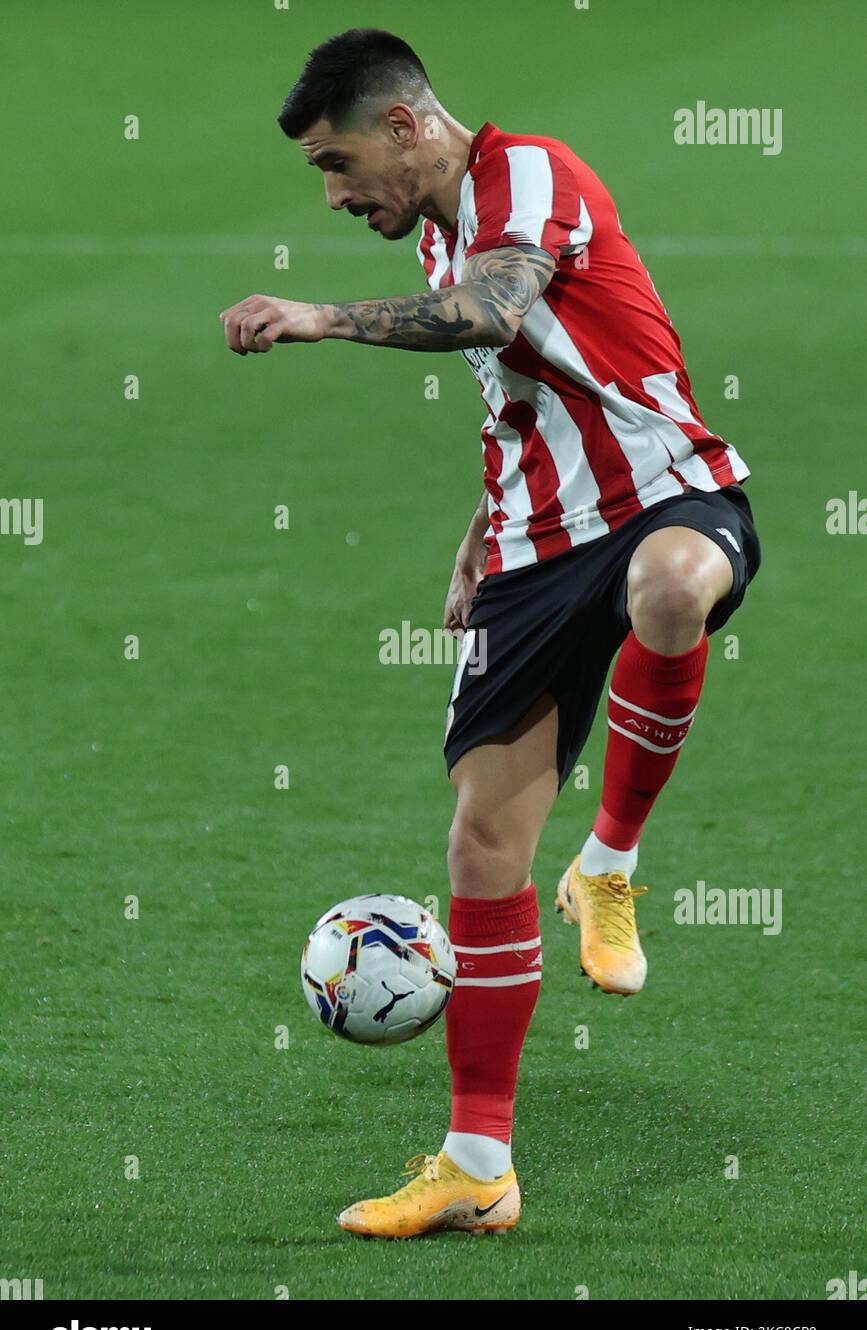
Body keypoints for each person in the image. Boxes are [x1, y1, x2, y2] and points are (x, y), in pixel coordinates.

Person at [219, 28, 761, 1238]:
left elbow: (489, 313)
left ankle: (610, 864)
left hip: (667, 494)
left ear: (405, 126)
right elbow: (519, 382)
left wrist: (320, 317)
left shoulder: (534, 176)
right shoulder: (435, 228)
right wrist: (480, 529)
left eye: (337, 161)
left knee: (674, 587)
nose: (335, 192)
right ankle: (478, 1165)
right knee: (480, 849)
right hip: (532, 547)